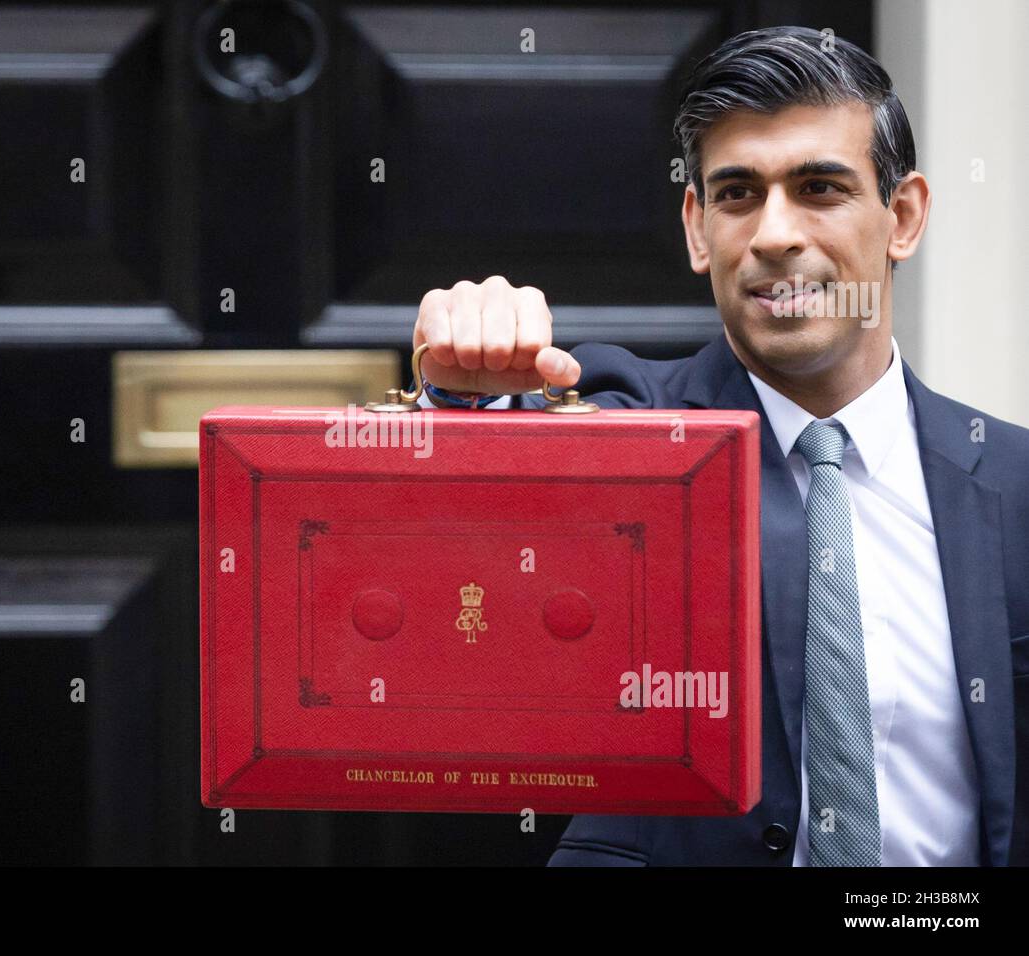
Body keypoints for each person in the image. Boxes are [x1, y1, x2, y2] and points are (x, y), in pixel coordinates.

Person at [409, 26, 1028, 866]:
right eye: (738, 194)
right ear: (699, 229)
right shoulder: (618, 428)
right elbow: (438, 538)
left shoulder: (1014, 484)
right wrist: (457, 397)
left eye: (819, 187)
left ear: (904, 216)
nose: (774, 234)